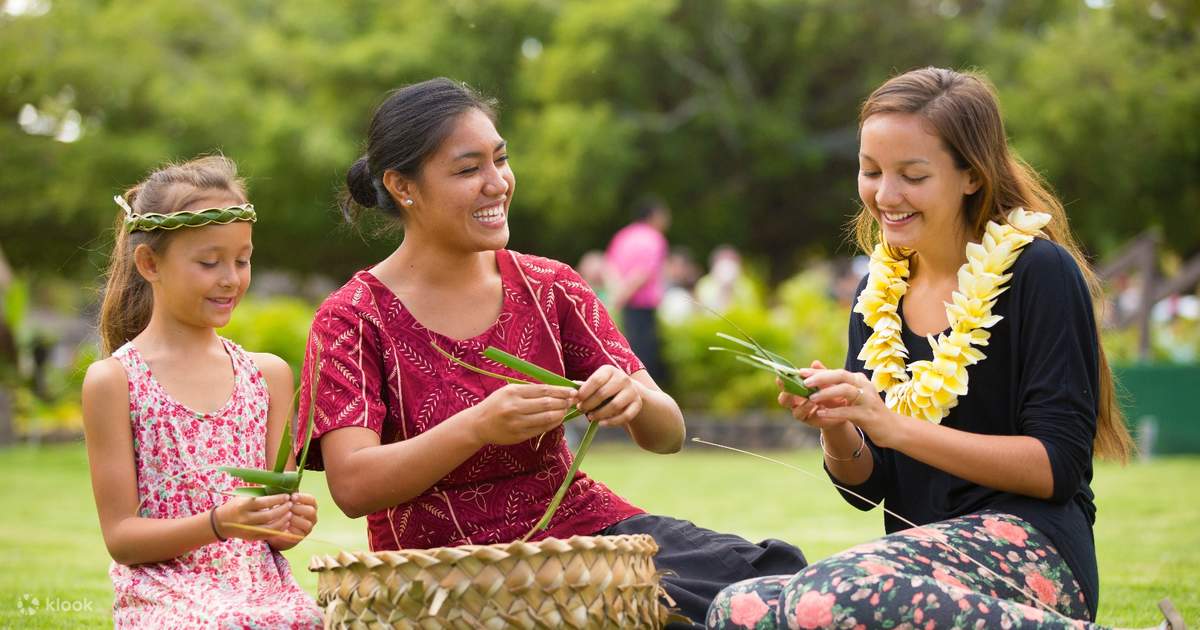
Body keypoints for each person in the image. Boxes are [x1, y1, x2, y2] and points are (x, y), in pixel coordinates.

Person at [297, 78, 809, 626]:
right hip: (441, 574)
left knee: (775, 591)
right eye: (469, 170)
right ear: (403, 186)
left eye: (501, 160)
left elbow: (669, 433)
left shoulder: (549, 286)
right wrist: (478, 425)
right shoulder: (351, 318)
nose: (497, 184)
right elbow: (352, 487)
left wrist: (630, 396)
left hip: (584, 538)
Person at [708, 67, 1155, 630]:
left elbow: (1057, 466)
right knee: (739, 608)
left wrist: (894, 426)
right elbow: (869, 488)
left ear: (971, 174)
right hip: (920, 557)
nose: (885, 195)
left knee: (822, 595)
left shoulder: (1040, 272)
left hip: (1033, 554)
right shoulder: (878, 291)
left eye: (912, 176)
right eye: (870, 171)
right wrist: (838, 423)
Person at [81, 156, 322, 629]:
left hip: (260, 588)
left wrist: (290, 521)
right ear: (149, 263)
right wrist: (217, 523)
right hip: (164, 592)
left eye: (242, 260)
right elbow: (122, 538)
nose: (230, 278)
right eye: (209, 262)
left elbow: (273, 532)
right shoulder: (115, 381)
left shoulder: (267, 376)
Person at [605, 195, 671, 381]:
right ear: (654, 215)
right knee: (645, 353)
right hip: (642, 306)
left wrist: (617, 295)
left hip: (624, 303)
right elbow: (643, 273)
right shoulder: (653, 238)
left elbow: (610, 266)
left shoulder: (623, 236)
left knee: (627, 348)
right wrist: (624, 294)